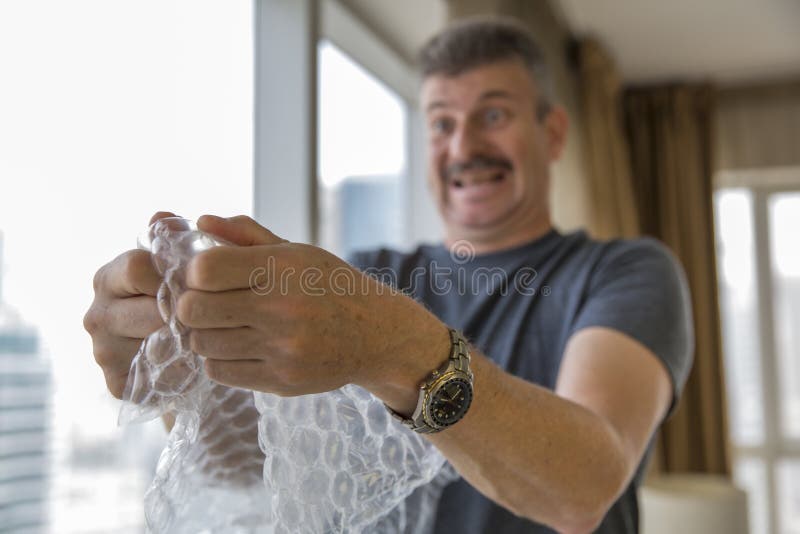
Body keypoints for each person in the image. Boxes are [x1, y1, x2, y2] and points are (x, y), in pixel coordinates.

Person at [83, 17, 693, 534]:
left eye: (494, 115)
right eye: (441, 123)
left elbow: (583, 487)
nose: (464, 146)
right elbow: (247, 468)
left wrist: (392, 345)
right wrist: (180, 364)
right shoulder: (370, 275)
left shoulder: (625, 272)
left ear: (552, 133)